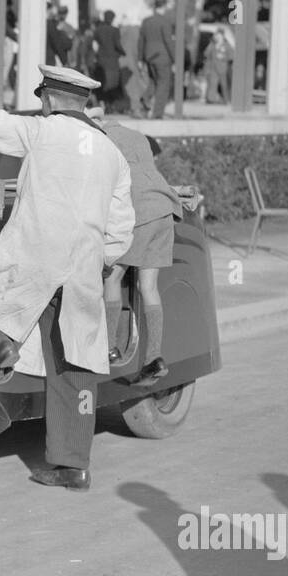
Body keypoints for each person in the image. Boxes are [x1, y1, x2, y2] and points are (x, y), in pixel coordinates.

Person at [0, 64, 134, 490]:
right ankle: (74, 466)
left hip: (33, 256)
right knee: (75, 364)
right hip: (81, 268)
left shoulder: (43, 131)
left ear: (47, 100)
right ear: (83, 103)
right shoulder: (113, 154)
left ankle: (1, 344)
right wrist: (95, 258)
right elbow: (121, 233)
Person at [99, 118, 181, 384]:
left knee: (111, 277)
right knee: (149, 287)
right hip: (164, 209)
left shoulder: (100, 139)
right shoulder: (138, 136)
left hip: (140, 211)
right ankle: (153, 358)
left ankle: (109, 347)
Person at [137, 0, 176, 119]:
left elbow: (141, 40)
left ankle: (145, 99)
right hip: (162, 57)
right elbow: (168, 41)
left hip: (149, 57)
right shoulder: (165, 21)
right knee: (163, 84)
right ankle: (157, 113)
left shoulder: (146, 21)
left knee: (153, 82)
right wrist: (174, 59)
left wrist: (140, 58)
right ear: (164, 6)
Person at [92, 10, 125, 111]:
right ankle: (110, 105)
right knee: (113, 83)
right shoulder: (115, 30)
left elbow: (95, 45)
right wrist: (123, 52)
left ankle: (103, 104)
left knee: (103, 82)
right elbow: (117, 45)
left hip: (101, 60)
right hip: (112, 61)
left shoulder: (98, 30)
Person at [203, 28, 232, 105]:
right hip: (213, 68)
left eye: (219, 35)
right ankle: (210, 99)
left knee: (224, 85)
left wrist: (223, 57)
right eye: (217, 35)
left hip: (223, 68)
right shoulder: (212, 45)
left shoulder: (226, 45)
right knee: (213, 84)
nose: (218, 37)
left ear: (222, 36)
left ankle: (226, 100)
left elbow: (231, 56)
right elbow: (206, 54)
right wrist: (212, 44)